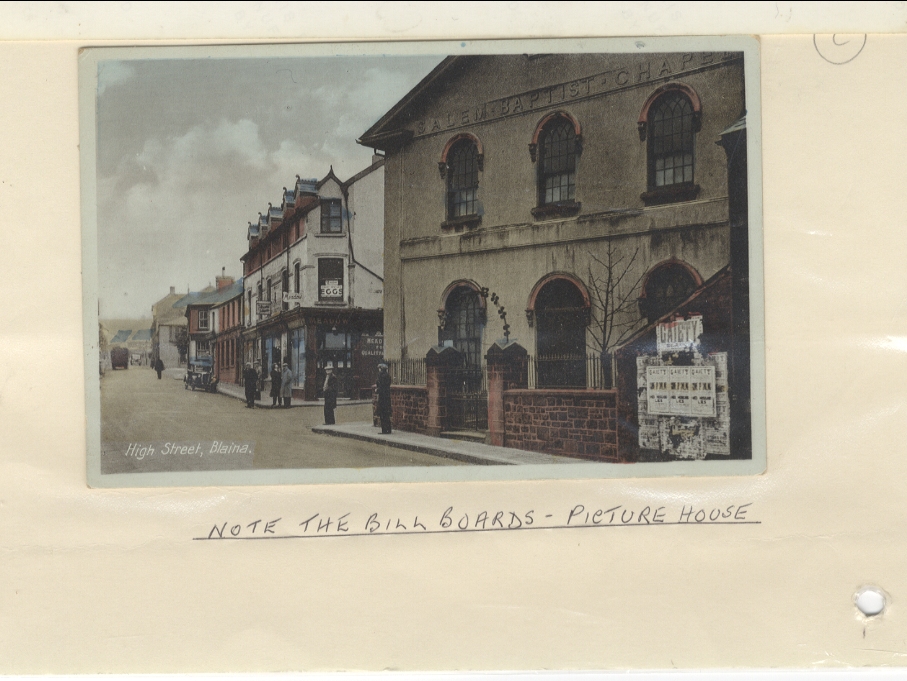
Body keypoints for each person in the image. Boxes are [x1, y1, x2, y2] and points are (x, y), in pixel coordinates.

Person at [376, 363, 392, 434]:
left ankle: (384, 430)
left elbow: (380, 386)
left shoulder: (381, 376)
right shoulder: (388, 376)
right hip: (387, 397)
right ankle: (389, 429)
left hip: (382, 397)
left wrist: (377, 390)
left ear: (381, 369)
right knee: (387, 414)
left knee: (382, 414)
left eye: (379, 368)